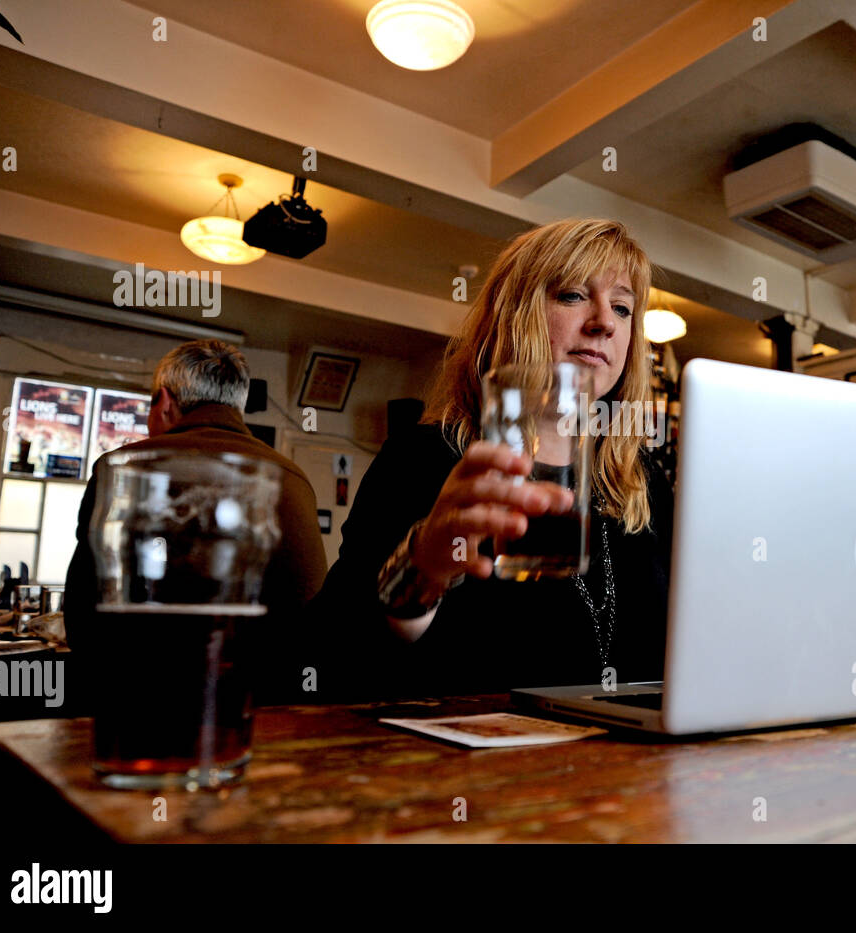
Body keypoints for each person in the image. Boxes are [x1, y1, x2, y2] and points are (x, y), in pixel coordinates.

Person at [316, 219, 673, 699]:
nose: (605, 322)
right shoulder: (424, 458)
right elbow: (335, 642)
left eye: (624, 307)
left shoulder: (644, 485)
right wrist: (422, 565)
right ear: (514, 314)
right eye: (571, 295)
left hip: (629, 763)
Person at [64, 339, 328, 700]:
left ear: (167, 402)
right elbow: (309, 618)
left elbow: (84, 617)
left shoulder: (122, 467)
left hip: (142, 701)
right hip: (272, 704)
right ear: (237, 404)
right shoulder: (293, 476)